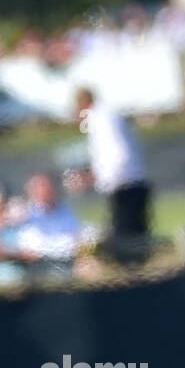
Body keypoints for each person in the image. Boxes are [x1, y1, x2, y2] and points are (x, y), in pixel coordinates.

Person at [69, 87, 150, 262]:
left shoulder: (101, 120)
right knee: (130, 237)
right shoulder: (106, 117)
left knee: (127, 241)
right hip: (128, 183)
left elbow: (118, 155)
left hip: (125, 185)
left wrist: (95, 177)